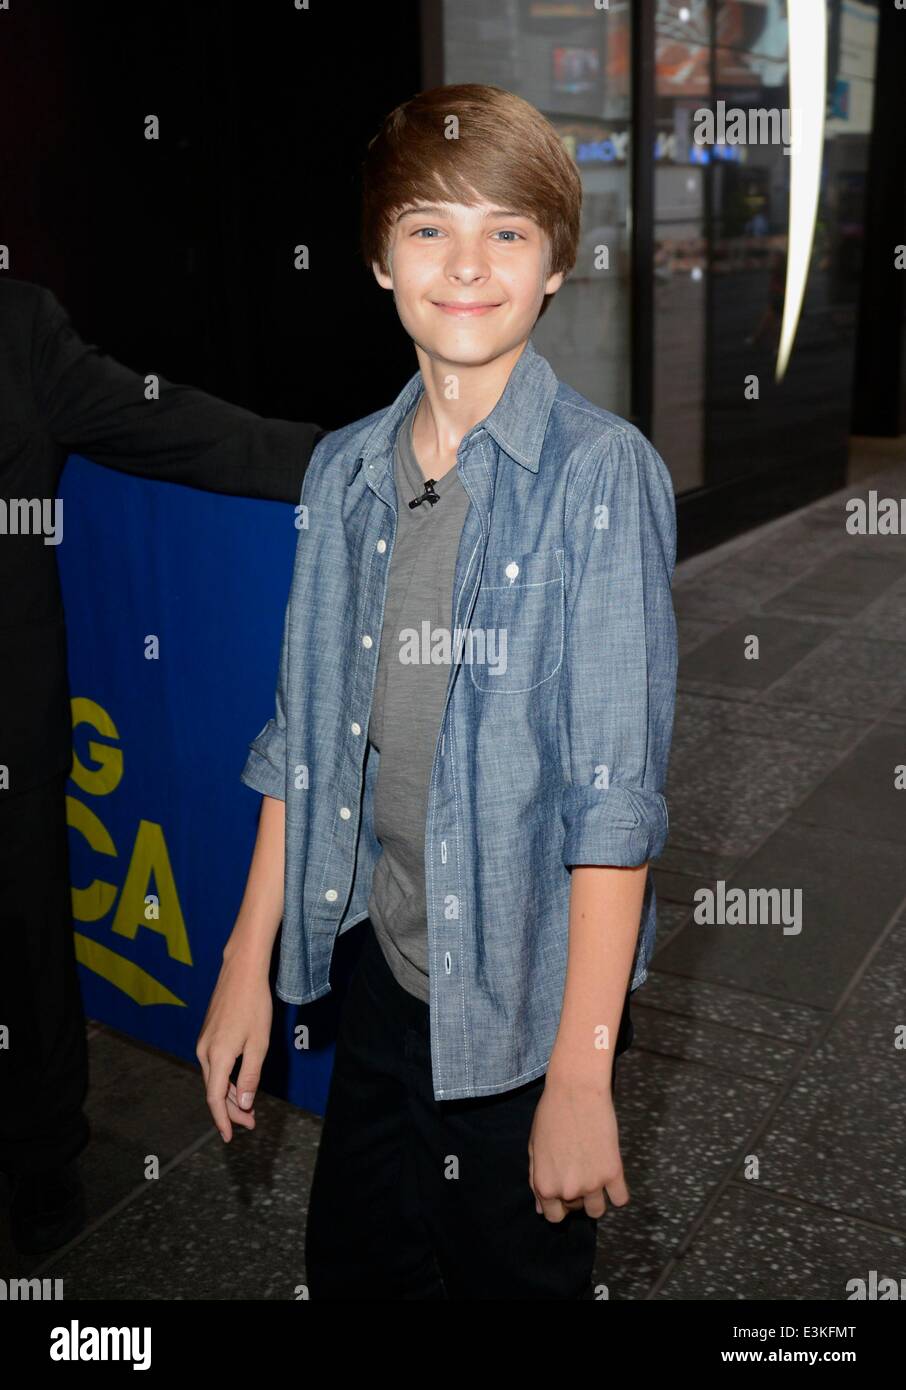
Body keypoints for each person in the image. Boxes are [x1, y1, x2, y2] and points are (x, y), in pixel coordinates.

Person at [197, 83, 678, 1300]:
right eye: (429, 228)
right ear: (378, 256)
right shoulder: (345, 466)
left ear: (557, 261)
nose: (468, 265)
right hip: (385, 979)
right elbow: (301, 740)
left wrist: (582, 1076)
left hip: (523, 1011)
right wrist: (248, 960)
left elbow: (612, 806)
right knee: (356, 1265)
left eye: (507, 231)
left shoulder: (602, 477)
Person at [0, 278, 327, 1254]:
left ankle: (41, 1154)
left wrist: (359, 460)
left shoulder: (15, 327)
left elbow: (176, 425)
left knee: (22, 946)